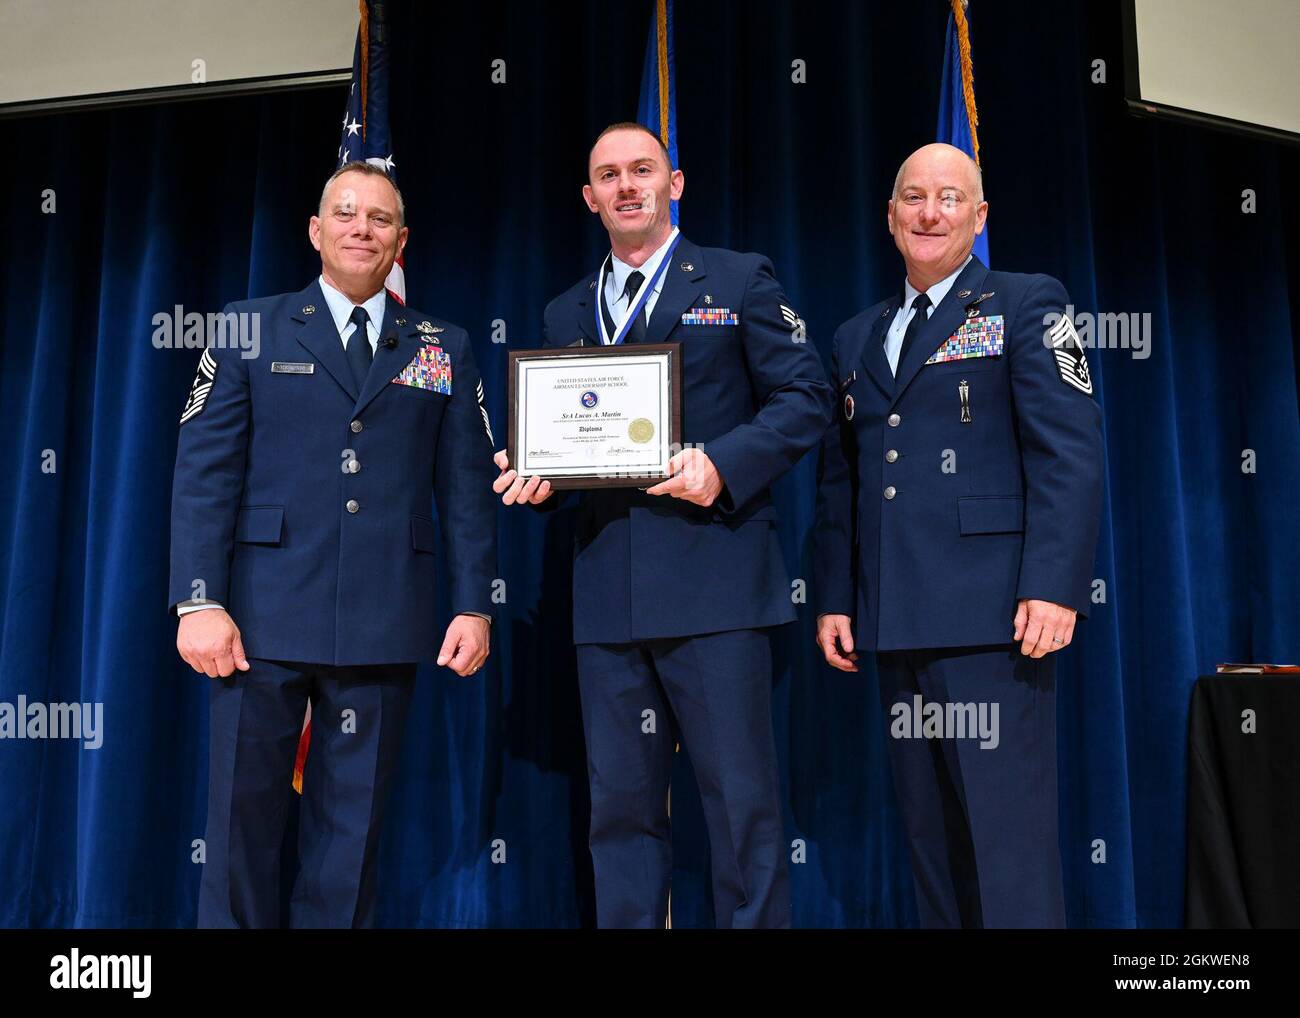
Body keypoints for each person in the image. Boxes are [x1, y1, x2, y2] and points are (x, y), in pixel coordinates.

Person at [494, 123, 832, 928]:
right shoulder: (566, 305)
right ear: (590, 198)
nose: (626, 186)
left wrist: (722, 463)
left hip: (716, 588)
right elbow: (582, 451)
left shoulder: (741, 278)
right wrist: (545, 483)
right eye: (608, 176)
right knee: (620, 817)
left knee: (740, 814)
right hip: (608, 597)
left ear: (672, 183)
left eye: (641, 170)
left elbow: (807, 397)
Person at [169, 161, 497, 928]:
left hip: (385, 620)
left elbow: (466, 489)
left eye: (379, 219)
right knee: (240, 831)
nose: (362, 229)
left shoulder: (441, 345)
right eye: (346, 214)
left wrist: (475, 605)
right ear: (316, 231)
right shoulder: (248, 327)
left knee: (350, 844)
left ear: (401, 241)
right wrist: (198, 600)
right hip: (257, 622)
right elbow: (202, 476)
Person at [813, 143, 1103, 928]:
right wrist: (836, 595)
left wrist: (1052, 583)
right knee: (931, 844)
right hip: (894, 621)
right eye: (914, 197)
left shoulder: (1028, 303)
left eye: (949, 198)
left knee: (1005, 844)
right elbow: (844, 480)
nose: (930, 212)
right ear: (891, 217)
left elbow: (1069, 454)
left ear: (979, 218)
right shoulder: (855, 337)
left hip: (993, 620)